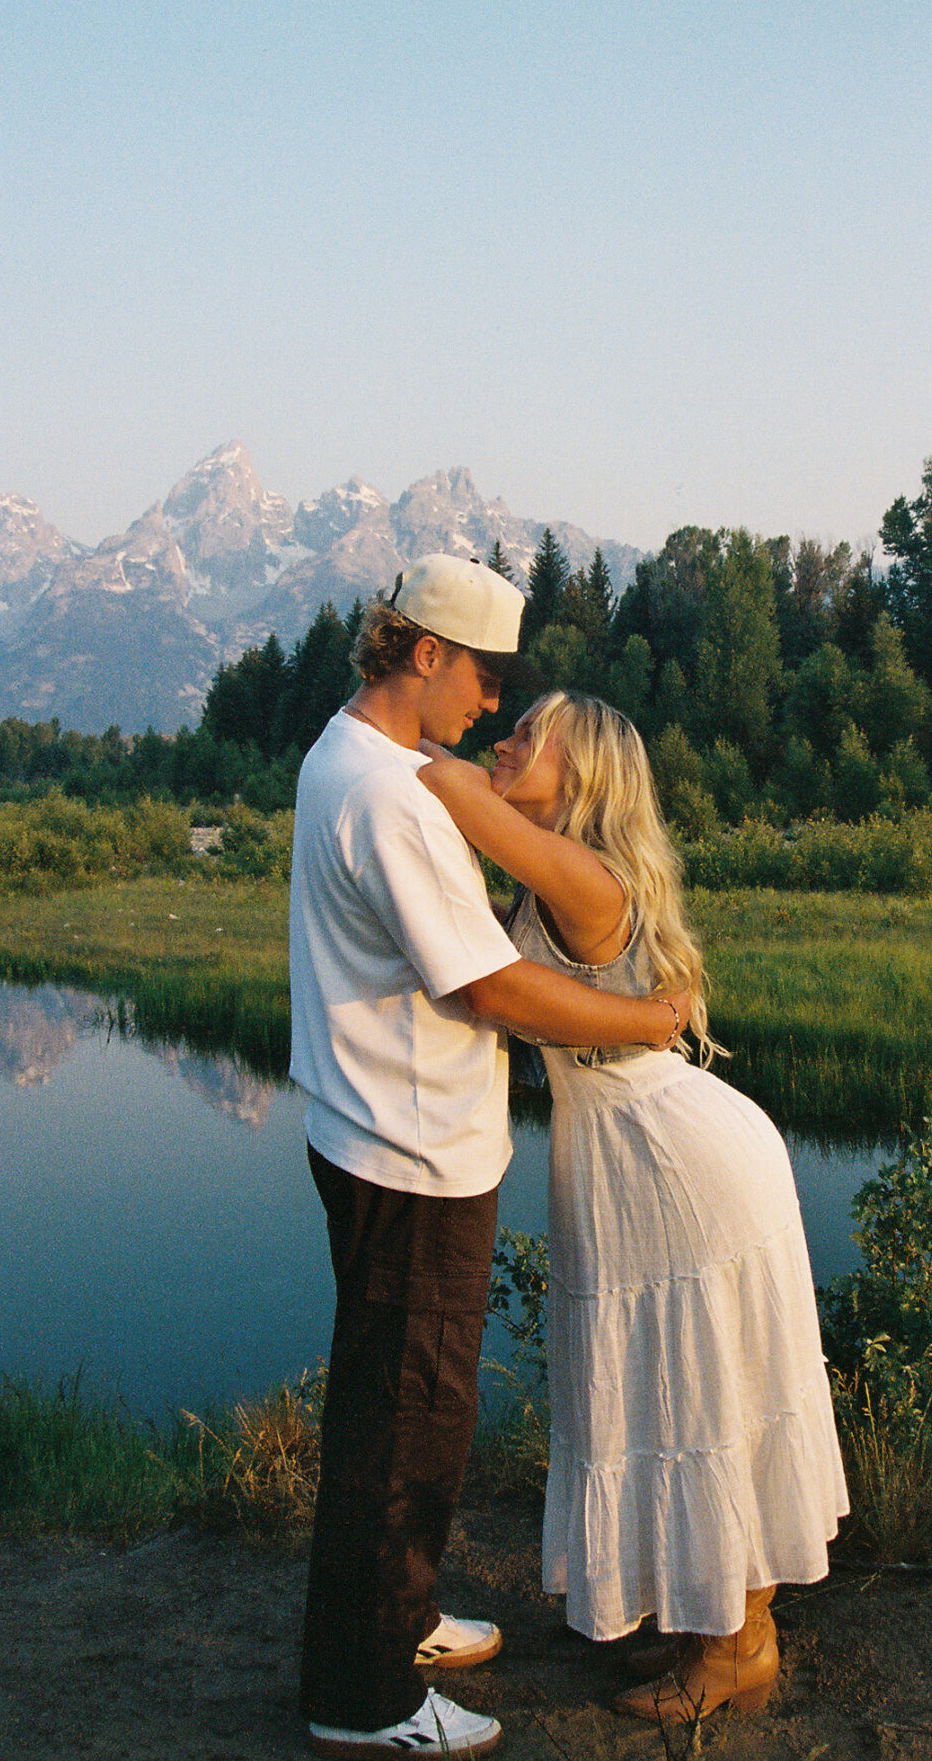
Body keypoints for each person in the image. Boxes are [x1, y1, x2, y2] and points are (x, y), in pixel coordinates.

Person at [290, 560, 691, 1761]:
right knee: (406, 1419)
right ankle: (364, 1700)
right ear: (425, 655)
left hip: (368, 1127)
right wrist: (649, 1019)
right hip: (411, 1151)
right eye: (481, 676)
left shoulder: (343, 755)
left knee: (398, 1403)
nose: (485, 703)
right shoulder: (394, 799)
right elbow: (490, 982)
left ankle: (397, 1618)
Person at [418, 690, 849, 1726]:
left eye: (530, 732)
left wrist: (400, 743)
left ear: (585, 774)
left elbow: (445, 784)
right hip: (629, 1150)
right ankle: (719, 1619)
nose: (504, 739)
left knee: (703, 1390)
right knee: (679, 1385)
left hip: (667, 1154)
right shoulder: (563, 865)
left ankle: (734, 1647)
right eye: (508, 723)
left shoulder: (584, 876)